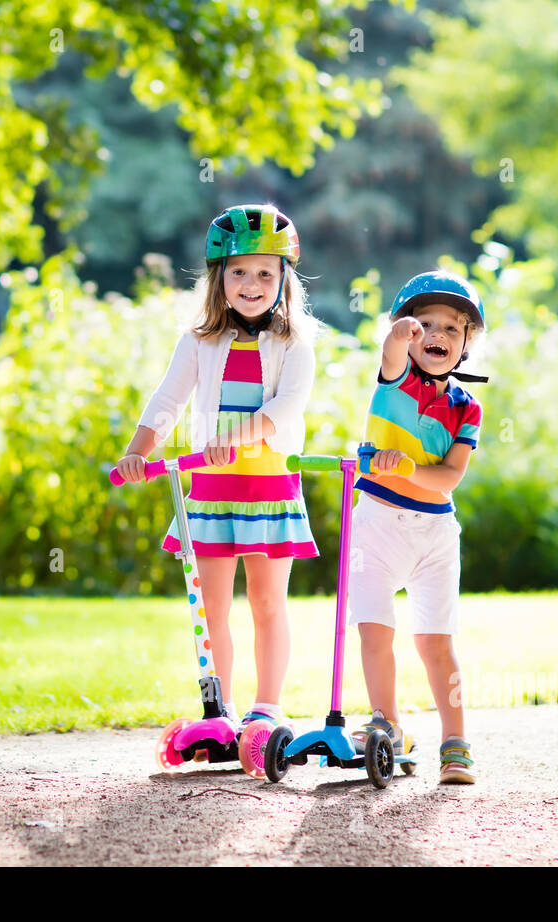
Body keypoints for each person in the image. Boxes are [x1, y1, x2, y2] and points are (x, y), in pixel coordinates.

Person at [114, 204, 319, 731]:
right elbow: (167, 401)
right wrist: (139, 450)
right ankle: (219, 711)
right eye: (238, 271)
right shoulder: (199, 342)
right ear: (218, 277)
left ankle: (267, 706)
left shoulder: (295, 344)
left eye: (265, 273)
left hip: (269, 485)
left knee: (267, 601)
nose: (251, 283)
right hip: (209, 489)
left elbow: (285, 408)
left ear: (283, 280)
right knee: (211, 608)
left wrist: (236, 435)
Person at [348, 270, 489, 784]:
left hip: (433, 533)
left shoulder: (466, 407)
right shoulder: (395, 376)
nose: (436, 335)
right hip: (377, 524)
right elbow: (389, 351)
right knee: (374, 631)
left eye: (452, 329)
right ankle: (386, 724)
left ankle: (455, 743)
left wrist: (408, 468)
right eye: (423, 324)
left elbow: (450, 478)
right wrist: (398, 333)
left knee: (436, 641)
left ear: (466, 344)